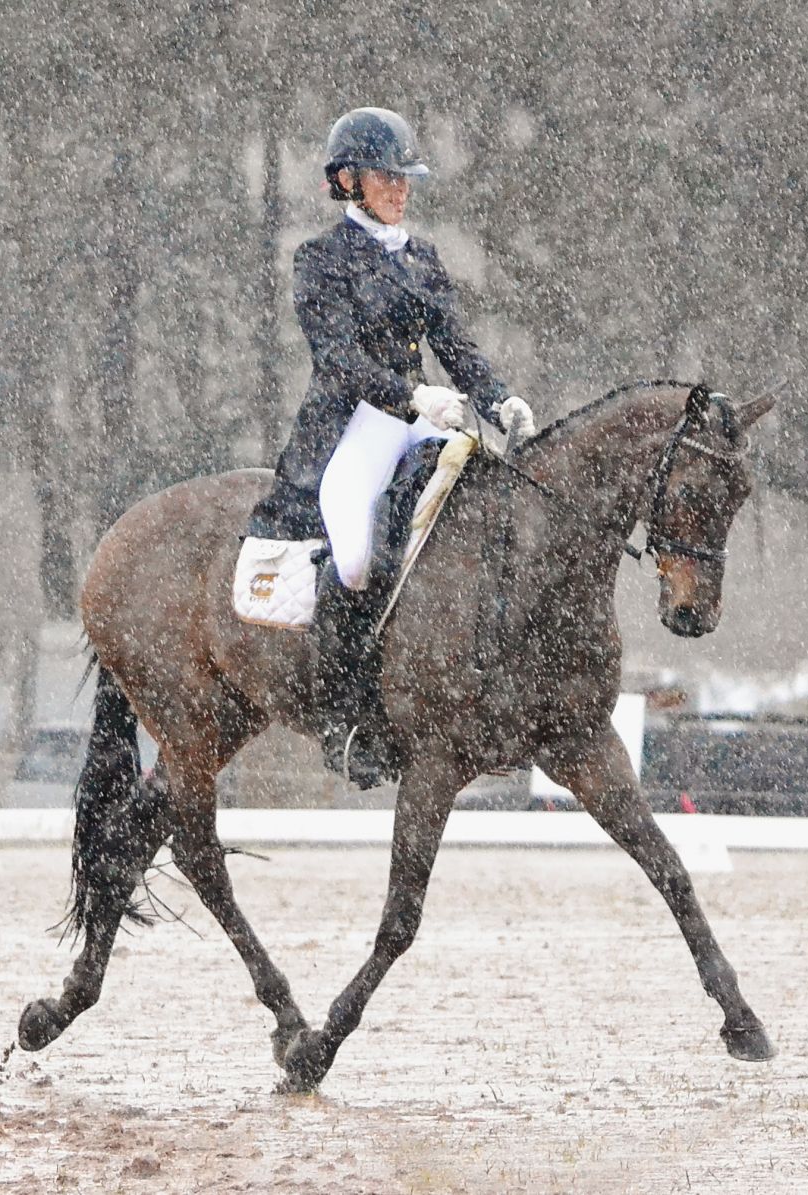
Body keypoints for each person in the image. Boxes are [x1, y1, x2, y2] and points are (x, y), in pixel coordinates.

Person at [254, 106, 534, 786]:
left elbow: (455, 346)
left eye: (405, 178)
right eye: (387, 178)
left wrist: (498, 399)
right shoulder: (320, 259)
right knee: (355, 559)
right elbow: (338, 360)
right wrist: (412, 396)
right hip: (355, 423)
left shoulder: (421, 257)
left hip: (423, 416)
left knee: (488, 519)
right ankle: (343, 716)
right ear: (349, 181)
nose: (400, 190)